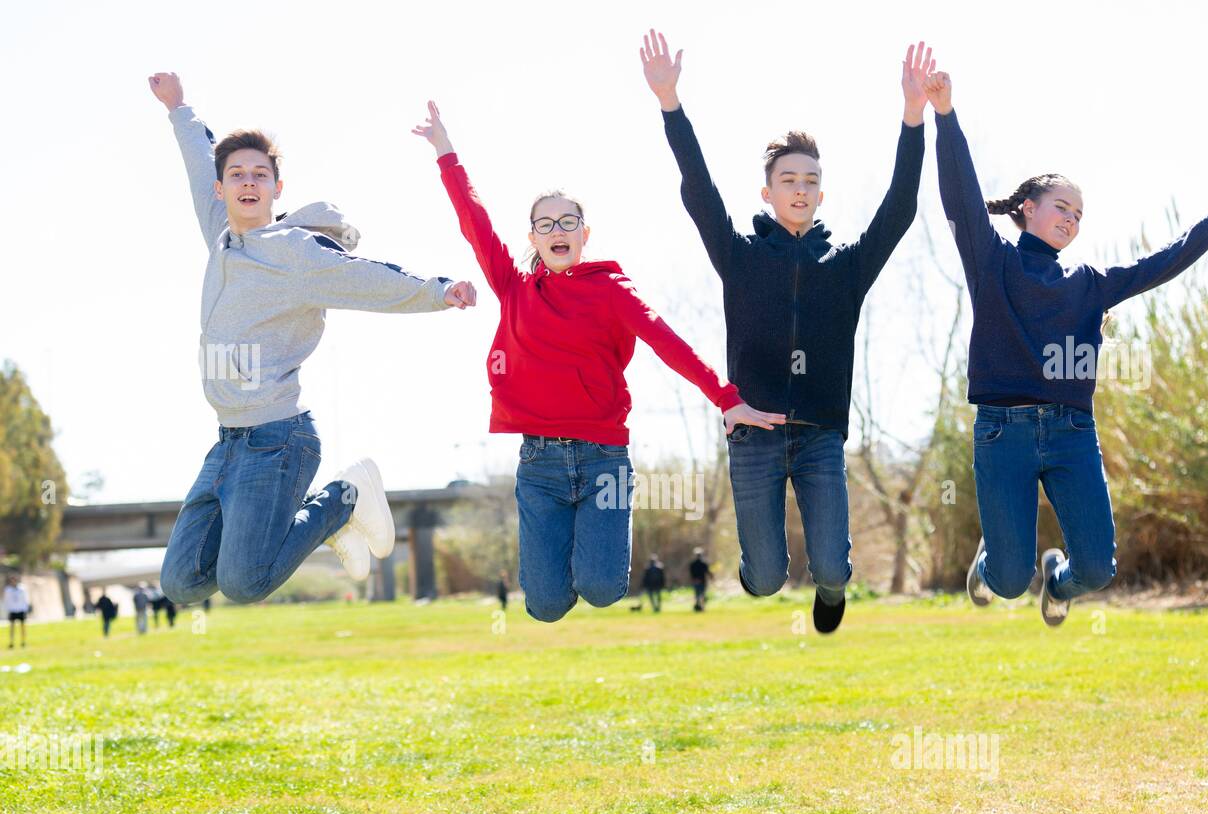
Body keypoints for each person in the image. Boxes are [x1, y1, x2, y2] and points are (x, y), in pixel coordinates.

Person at [415, 100, 783, 623]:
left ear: (585, 233)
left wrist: (726, 399)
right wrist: (445, 152)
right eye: (546, 223)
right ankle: (556, 566)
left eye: (569, 220)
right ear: (534, 239)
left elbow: (666, 340)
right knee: (543, 606)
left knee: (604, 589)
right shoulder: (514, 287)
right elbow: (473, 222)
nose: (558, 229)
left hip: (603, 461)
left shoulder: (610, 289)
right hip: (538, 465)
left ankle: (595, 553)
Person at [923, 68, 1208, 627]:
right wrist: (946, 115)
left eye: (1078, 215)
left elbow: (1160, 265)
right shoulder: (992, 261)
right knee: (1005, 581)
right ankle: (990, 563)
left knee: (1097, 569)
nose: (1071, 221)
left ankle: (1059, 581)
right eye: (1062, 208)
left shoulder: (1090, 283)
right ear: (1029, 208)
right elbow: (959, 195)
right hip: (1002, 431)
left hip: (1073, 432)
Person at [147, 72, 477, 607]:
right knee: (181, 583)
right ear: (221, 188)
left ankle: (345, 498)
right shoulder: (223, 238)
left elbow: (368, 279)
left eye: (260, 174)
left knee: (244, 582)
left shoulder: (295, 252)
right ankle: (331, 522)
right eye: (236, 174)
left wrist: (439, 291)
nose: (248, 182)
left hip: (277, 439)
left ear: (277, 189)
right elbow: (196, 159)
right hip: (228, 441)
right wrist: (178, 107)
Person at [641, 30, 931, 634]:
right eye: (788, 179)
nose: (799, 189)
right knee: (767, 579)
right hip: (754, 432)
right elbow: (699, 193)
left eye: (810, 181)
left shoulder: (846, 267)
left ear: (821, 194)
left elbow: (900, 209)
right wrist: (671, 105)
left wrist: (911, 118)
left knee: (832, 567)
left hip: (821, 434)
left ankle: (831, 590)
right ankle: (757, 572)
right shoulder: (740, 257)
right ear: (768, 192)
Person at [4, 575, 30, 649]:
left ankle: (23, 642)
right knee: (12, 627)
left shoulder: (22, 588)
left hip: (21, 610)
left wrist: (26, 608)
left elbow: (26, 598)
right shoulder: (8, 590)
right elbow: (6, 600)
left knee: (23, 627)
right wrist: (8, 609)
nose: (13, 582)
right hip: (13, 610)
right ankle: (11, 642)